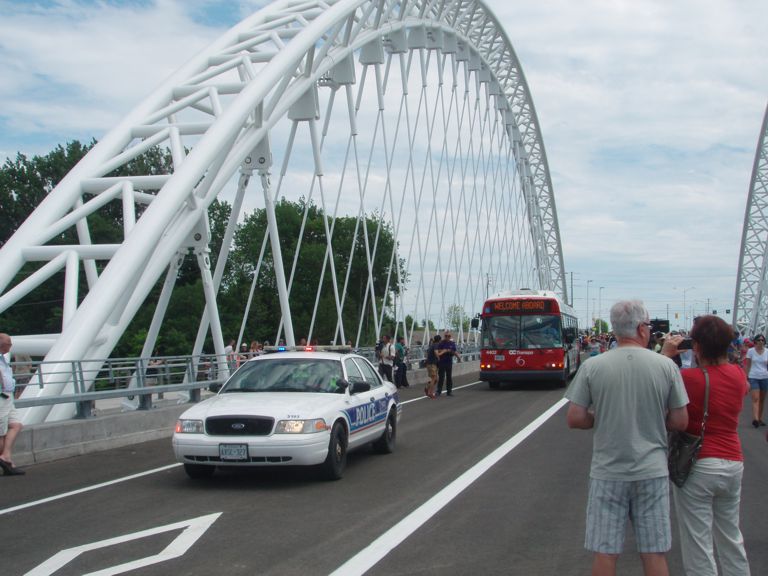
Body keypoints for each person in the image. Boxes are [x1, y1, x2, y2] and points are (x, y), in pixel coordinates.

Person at [565, 300, 689, 576]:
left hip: (608, 471)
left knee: (605, 551)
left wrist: (600, 418)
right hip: (651, 471)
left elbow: (575, 418)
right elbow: (680, 421)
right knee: (653, 551)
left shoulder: (593, 366)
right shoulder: (665, 366)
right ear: (641, 328)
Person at [663, 316, 751, 576]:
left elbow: (657, 383)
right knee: (730, 536)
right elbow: (744, 387)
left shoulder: (688, 378)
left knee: (698, 544)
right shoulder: (737, 375)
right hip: (733, 460)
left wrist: (667, 355)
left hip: (698, 463)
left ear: (696, 346)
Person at [0, 333, 25, 476]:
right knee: (1, 433)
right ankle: (7, 462)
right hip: (1, 398)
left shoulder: (3, 359)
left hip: (7, 397)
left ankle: (5, 456)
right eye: (9, 342)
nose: (11, 345)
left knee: (16, 425)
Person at [744, 333, 768, 428]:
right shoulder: (750, 351)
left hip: (765, 377)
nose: (761, 342)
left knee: (762, 400)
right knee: (755, 399)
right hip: (753, 377)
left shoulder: (767, 351)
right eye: (759, 340)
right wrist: (746, 377)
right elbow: (747, 365)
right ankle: (755, 419)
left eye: (762, 340)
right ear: (755, 342)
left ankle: (760, 418)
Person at [436, 331, 459, 397]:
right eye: (446, 336)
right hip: (442, 362)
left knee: (449, 377)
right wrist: (445, 350)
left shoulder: (452, 343)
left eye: (448, 336)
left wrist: (457, 356)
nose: (447, 337)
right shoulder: (441, 343)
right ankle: (438, 391)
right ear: (444, 336)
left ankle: (449, 391)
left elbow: (454, 351)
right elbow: (438, 350)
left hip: (449, 362)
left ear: (450, 336)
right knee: (441, 377)